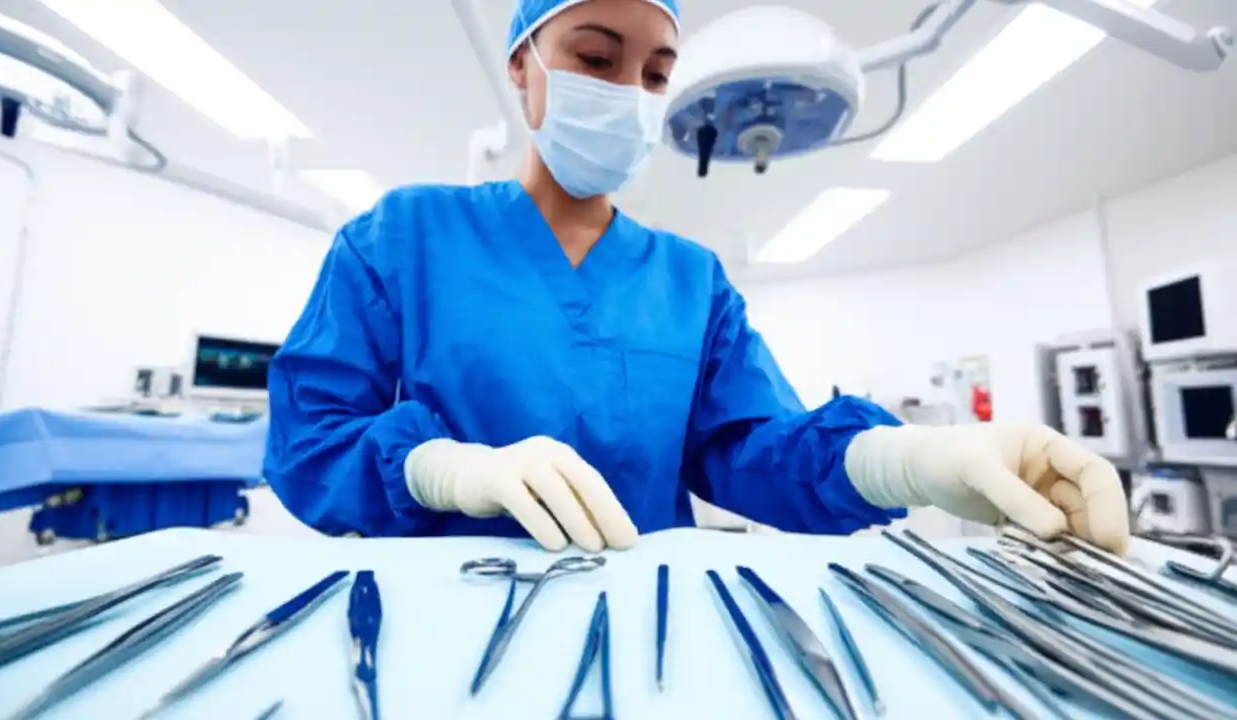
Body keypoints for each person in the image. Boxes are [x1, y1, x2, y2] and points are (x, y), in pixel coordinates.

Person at [264, 0, 1130, 555]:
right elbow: (308, 446)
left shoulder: (689, 279)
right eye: (596, 60)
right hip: (444, 624)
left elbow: (750, 452)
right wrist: (442, 471)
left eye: (654, 74)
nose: (629, 92)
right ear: (520, 66)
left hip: (652, 624)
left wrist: (905, 459)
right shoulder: (402, 237)